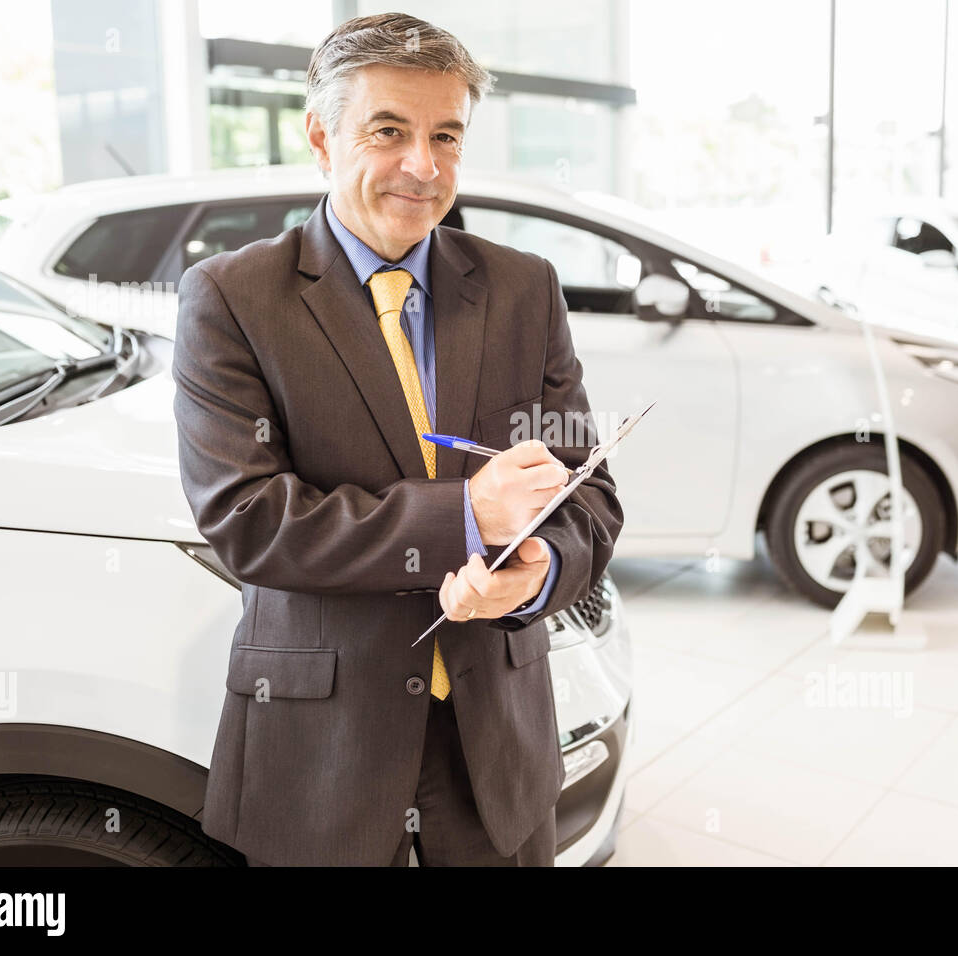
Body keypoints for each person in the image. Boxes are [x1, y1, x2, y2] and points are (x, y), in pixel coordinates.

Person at [171, 11, 623, 866]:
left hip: (494, 746)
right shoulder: (232, 297)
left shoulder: (522, 289)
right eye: (389, 131)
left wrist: (539, 570)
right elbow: (249, 519)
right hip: (322, 751)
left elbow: (587, 494)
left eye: (446, 135)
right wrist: (466, 517)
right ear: (321, 135)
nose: (424, 166)